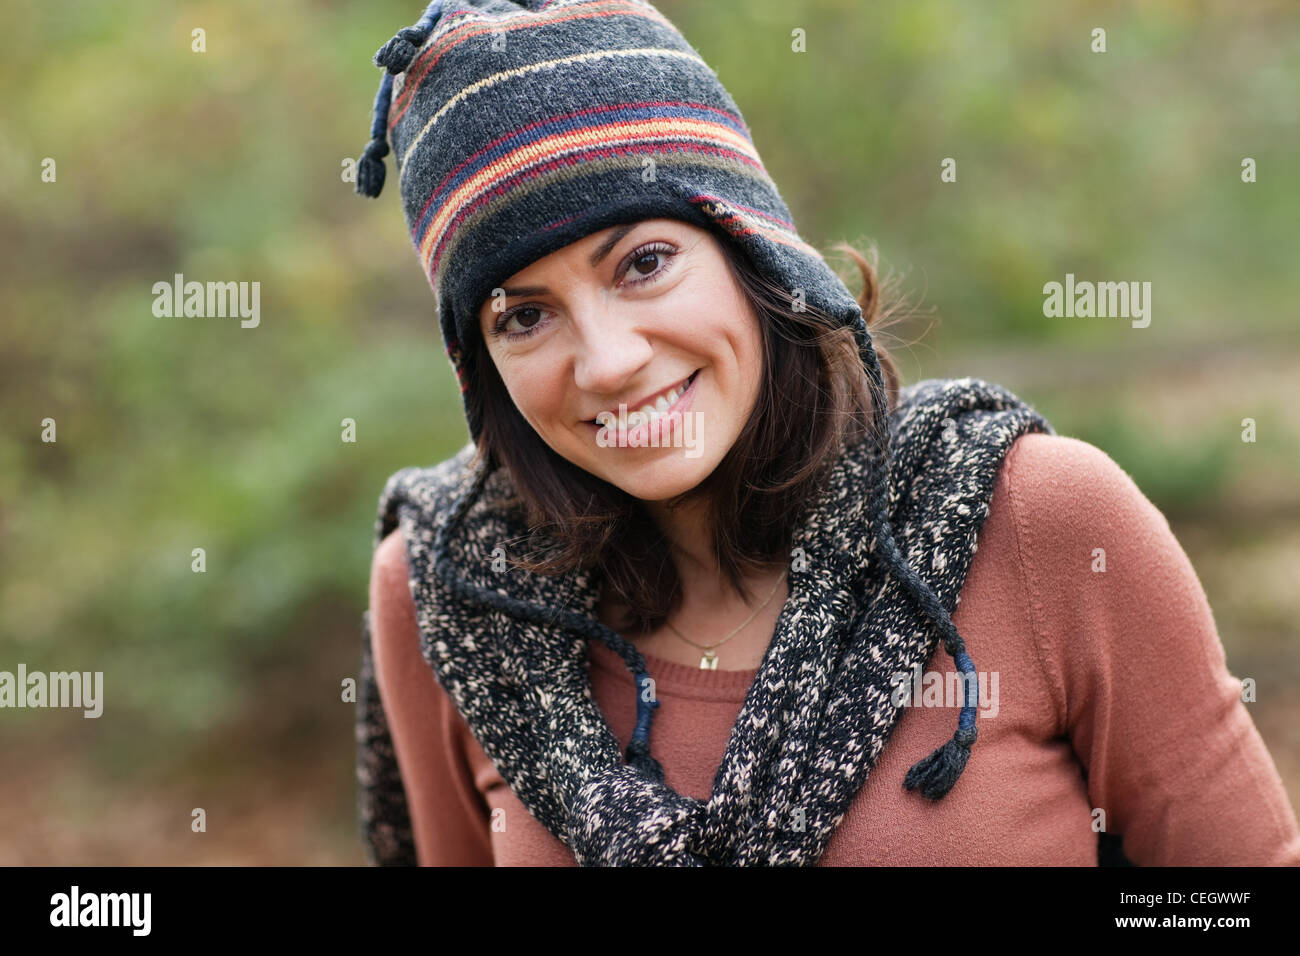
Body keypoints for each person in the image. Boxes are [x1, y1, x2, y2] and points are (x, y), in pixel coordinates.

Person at [352, 0, 1300, 866]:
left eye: (644, 263)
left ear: (755, 253)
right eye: (523, 316)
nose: (604, 362)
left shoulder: (1038, 521)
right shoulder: (455, 590)